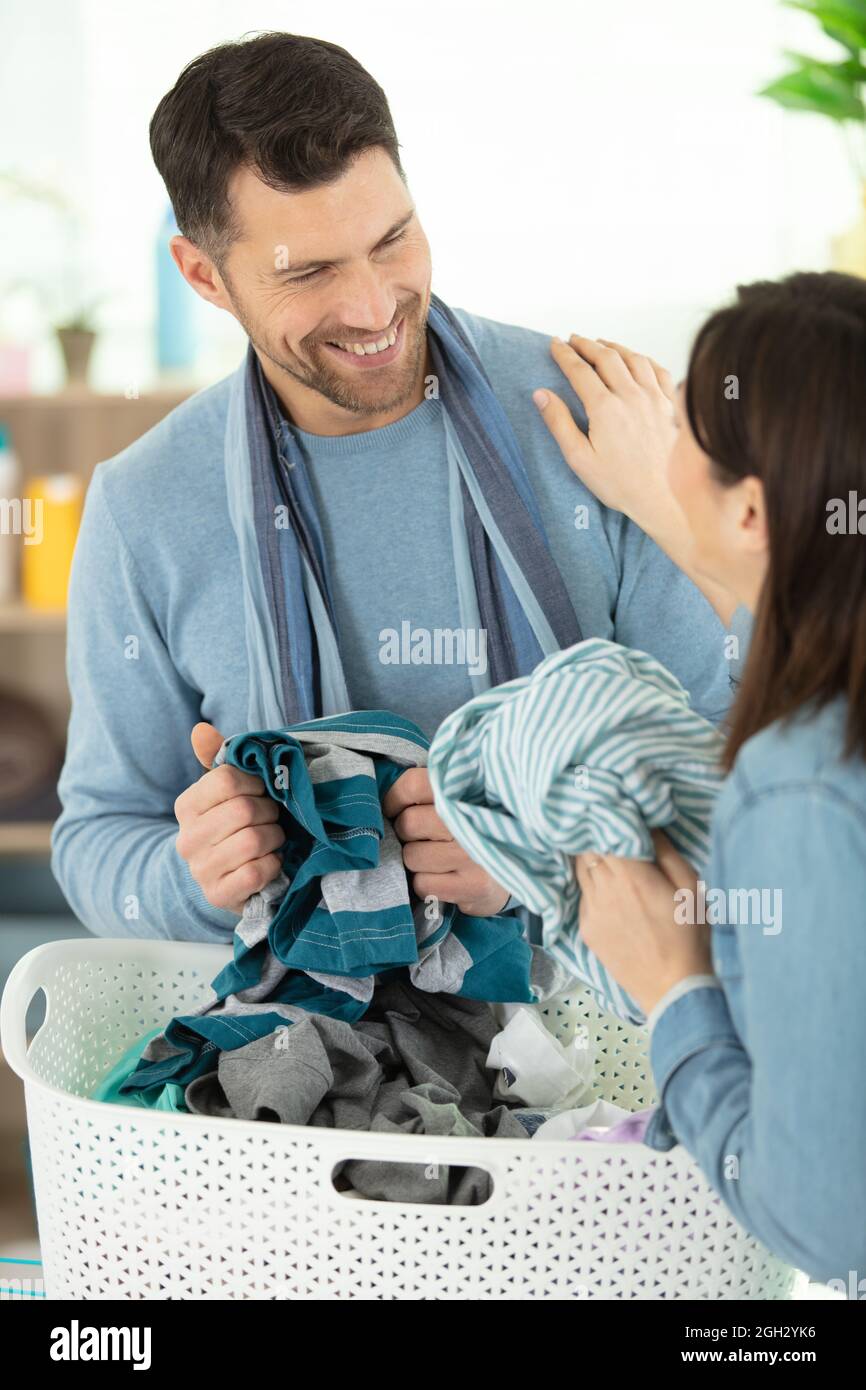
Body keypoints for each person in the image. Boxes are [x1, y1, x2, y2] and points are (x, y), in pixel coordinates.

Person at [51, 32, 736, 942]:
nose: (374, 309)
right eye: (310, 272)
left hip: (611, 1046)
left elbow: (740, 767)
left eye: (392, 239)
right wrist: (193, 876)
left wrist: (544, 859)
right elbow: (99, 835)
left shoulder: (603, 423)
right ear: (204, 276)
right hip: (309, 1059)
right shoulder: (144, 506)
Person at [533, 270, 866, 1287]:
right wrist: (685, 514)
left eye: (680, 424)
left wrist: (672, 988)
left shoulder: (799, 783)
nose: (658, 450)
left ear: (755, 510)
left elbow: (824, 1221)